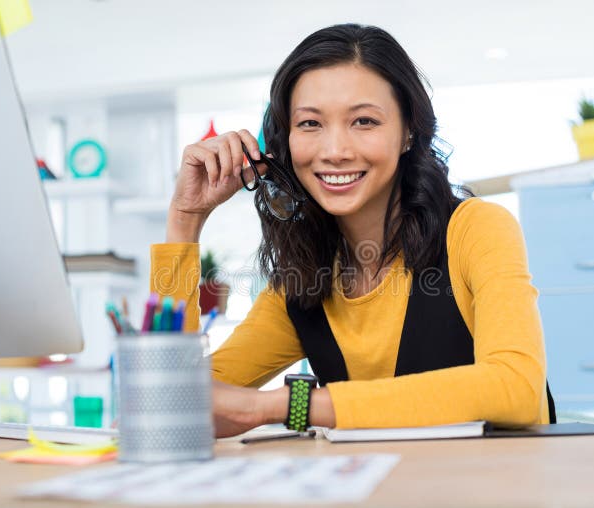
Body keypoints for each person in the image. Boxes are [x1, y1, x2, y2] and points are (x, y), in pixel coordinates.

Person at [151, 23, 554, 438]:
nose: (335, 151)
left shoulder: (476, 229)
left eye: (363, 121)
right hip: (381, 497)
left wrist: (281, 406)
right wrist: (185, 219)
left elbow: (515, 388)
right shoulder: (301, 279)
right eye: (310, 124)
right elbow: (169, 401)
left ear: (408, 133)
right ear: (284, 142)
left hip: (494, 494)